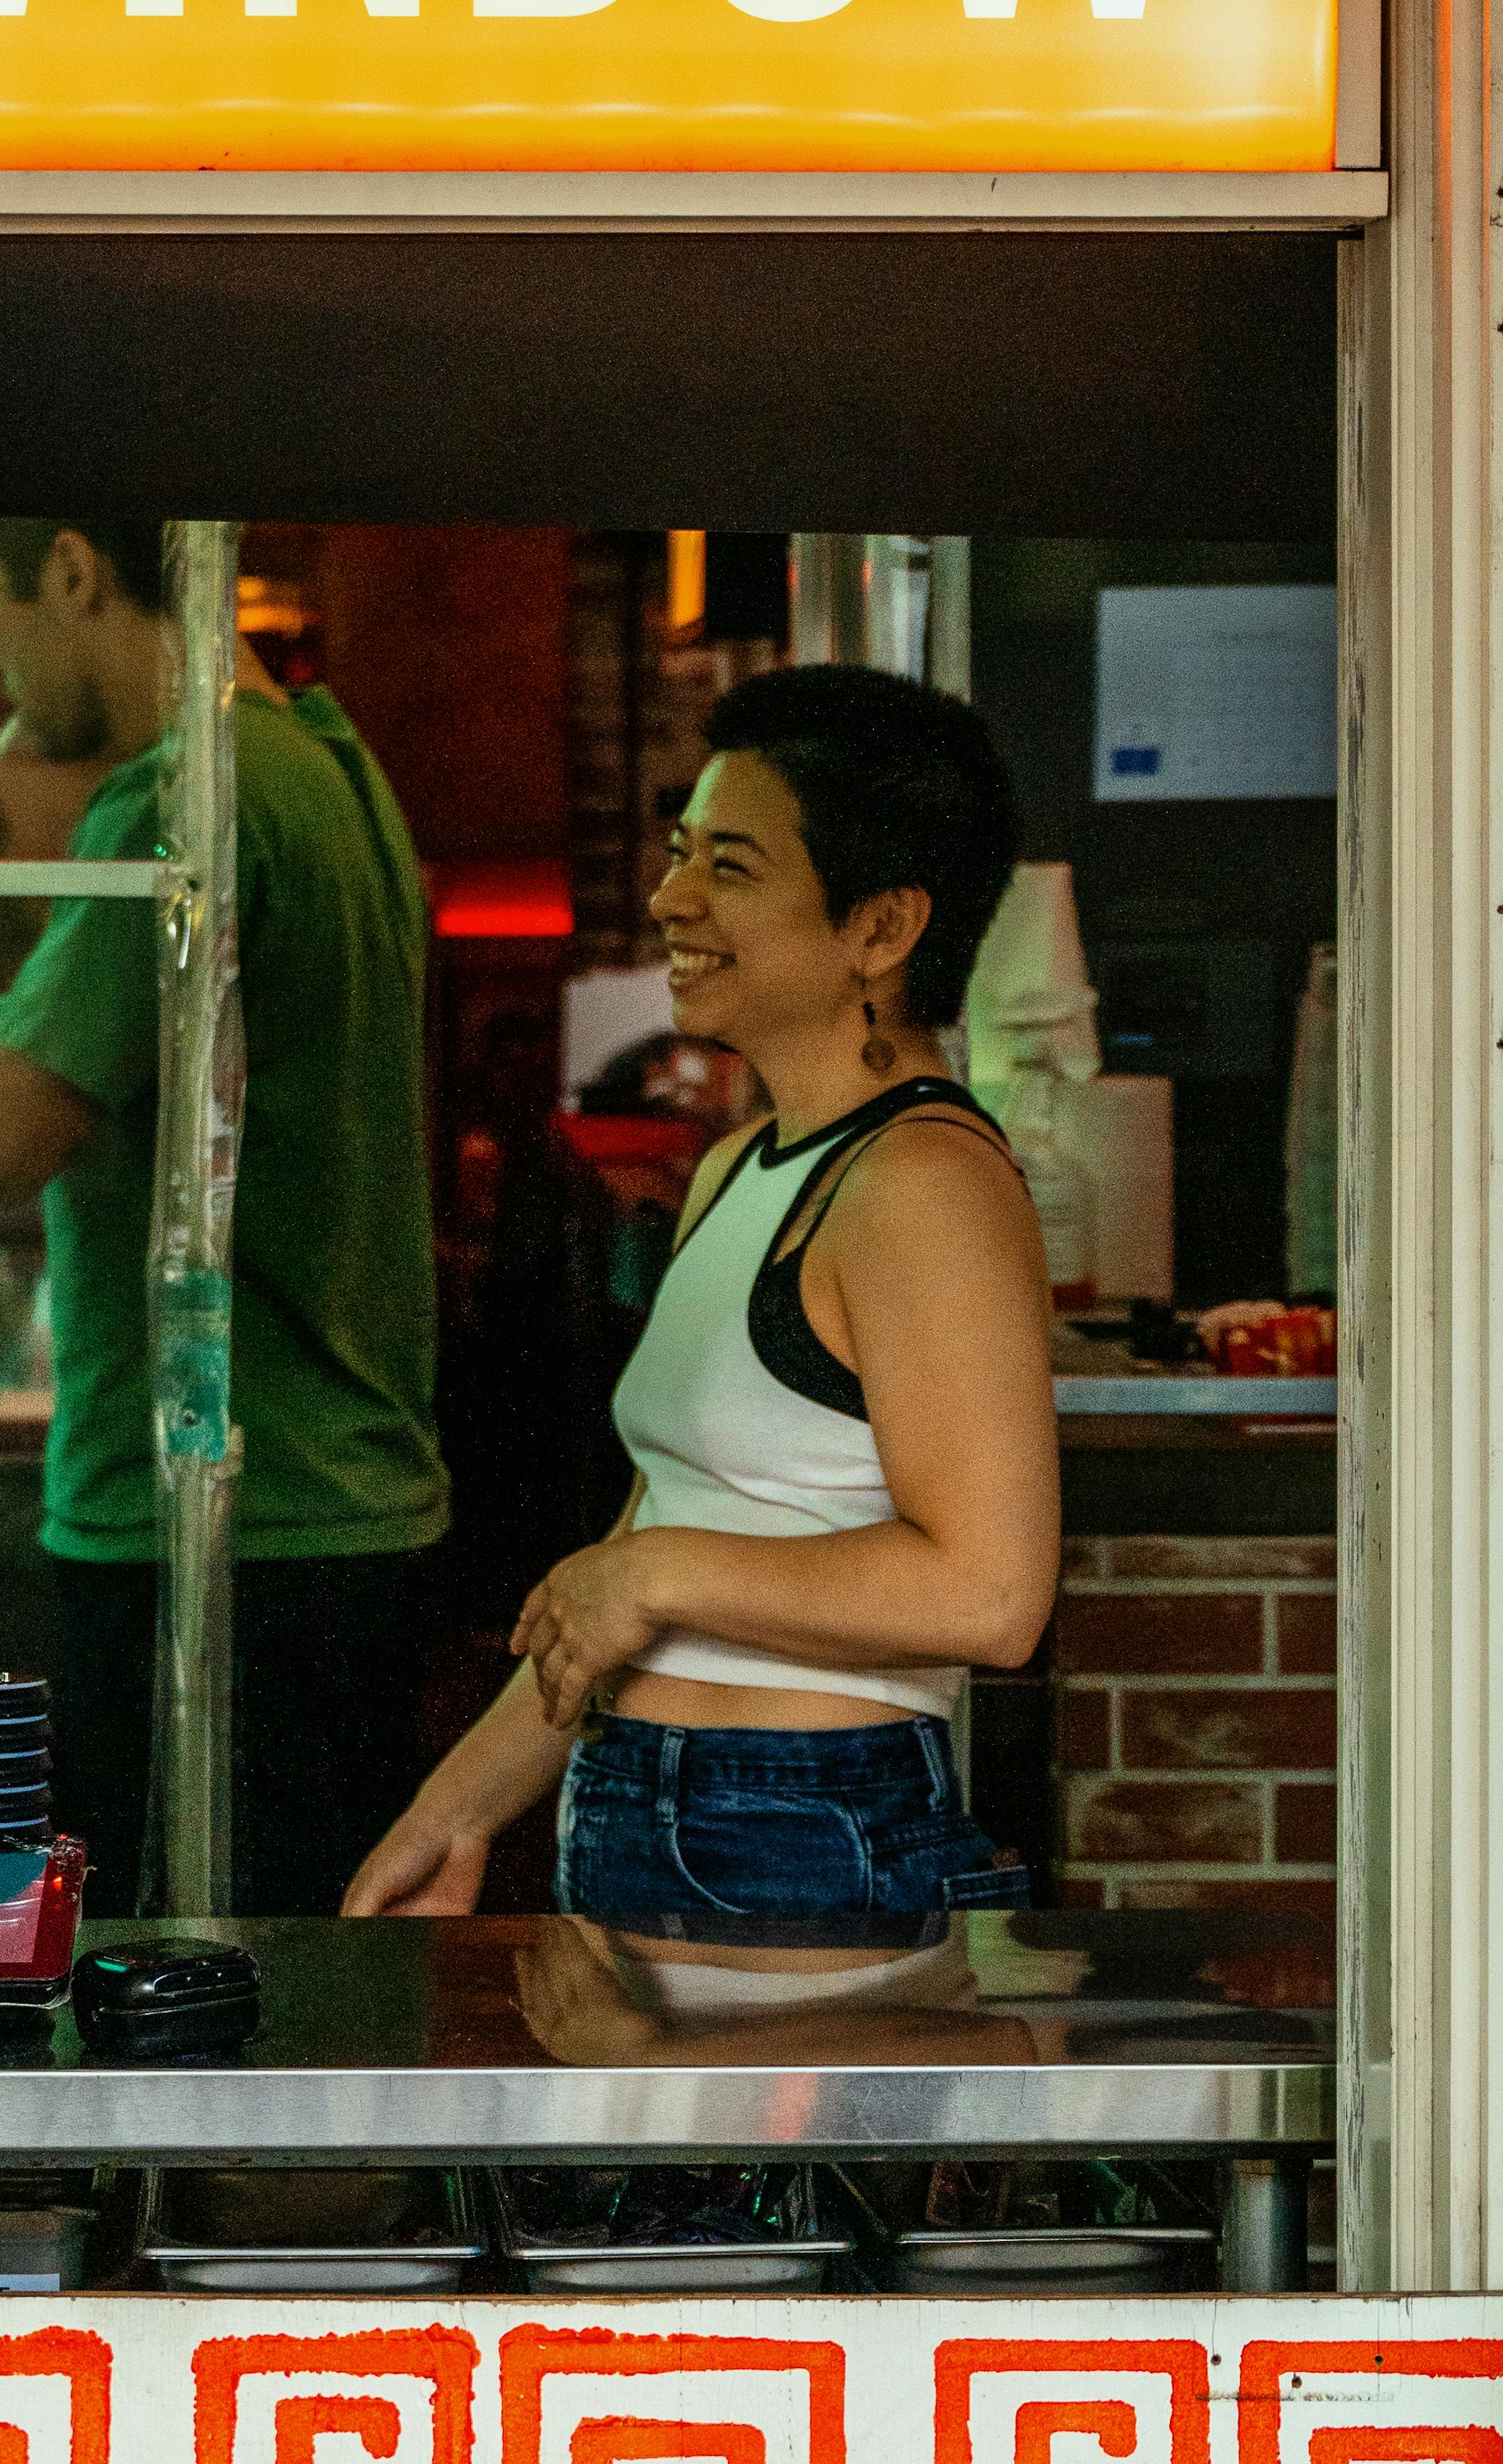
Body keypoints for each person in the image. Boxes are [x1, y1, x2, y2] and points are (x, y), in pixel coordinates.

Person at [345, 662, 1058, 1933]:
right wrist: (454, 1811)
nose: (670, 897)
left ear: (881, 930)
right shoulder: (746, 1159)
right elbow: (646, 1543)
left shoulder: (921, 1183)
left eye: (729, 866)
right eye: (681, 854)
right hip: (651, 1799)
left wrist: (660, 1574)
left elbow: (990, 1594)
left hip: (803, 1822)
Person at [0, 518, 447, 1913]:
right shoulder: (324, 759)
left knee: (183, 2014)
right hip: (334, 1508)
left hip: (214, 1527)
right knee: (306, 2012)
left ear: (76, 573)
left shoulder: (186, 804)